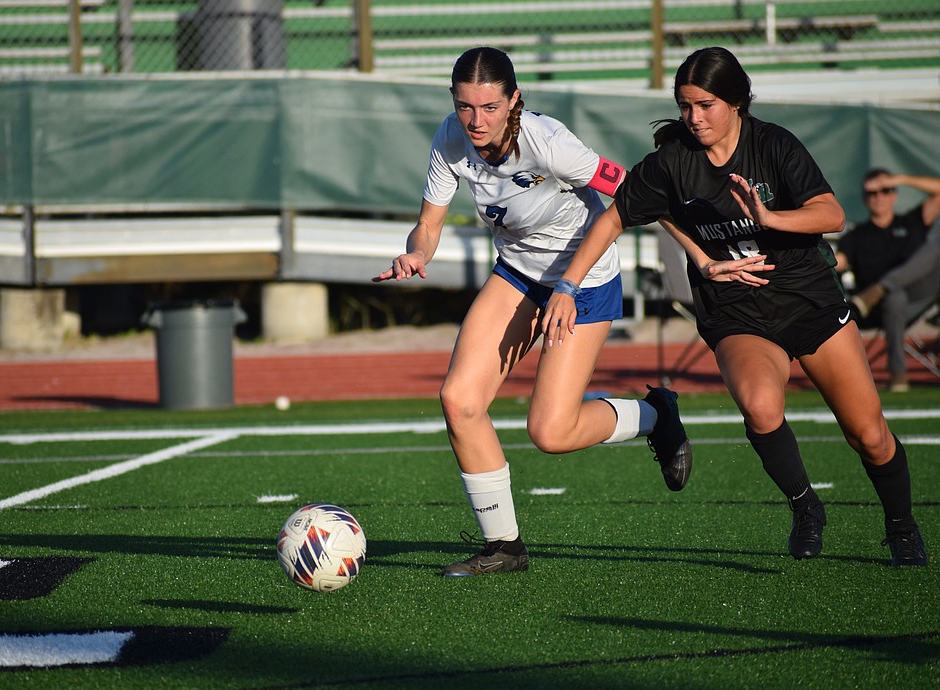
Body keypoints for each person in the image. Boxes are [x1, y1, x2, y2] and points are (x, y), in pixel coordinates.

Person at [541, 46, 928, 567]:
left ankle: (901, 525)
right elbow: (614, 218)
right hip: (737, 309)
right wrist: (566, 285)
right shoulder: (673, 162)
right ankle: (806, 507)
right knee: (762, 408)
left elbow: (831, 213)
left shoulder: (773, 145)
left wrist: (771, 219)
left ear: (737, 101)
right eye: (685, 106)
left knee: (869, 434)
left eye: (706, 105)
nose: (694, 117)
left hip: (807, 297)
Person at [374, 46, 692, 577]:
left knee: (551, 432)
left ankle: (658, 417)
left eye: (490, 107)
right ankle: (505, 546)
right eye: (465, 107)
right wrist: (416, 253)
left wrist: (699, 254)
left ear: (514, 99)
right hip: (518, 273)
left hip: (583, 279)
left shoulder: (548, 142)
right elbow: (428, 225)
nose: (476, 121)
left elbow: (636, 193)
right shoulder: (450, 138)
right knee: (459, 399)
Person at [834, 169, 940, 391]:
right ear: (864, 198)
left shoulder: (913, 222)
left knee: (935, 248)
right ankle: (898, 375)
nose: (878, 197)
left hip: (917, 298)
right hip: (874, 309)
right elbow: (839, 261)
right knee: (894, 298)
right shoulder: (856, 236)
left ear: (894, 194)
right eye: (872, 193)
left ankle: (881, 288)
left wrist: (901, 178)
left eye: (885, 190)